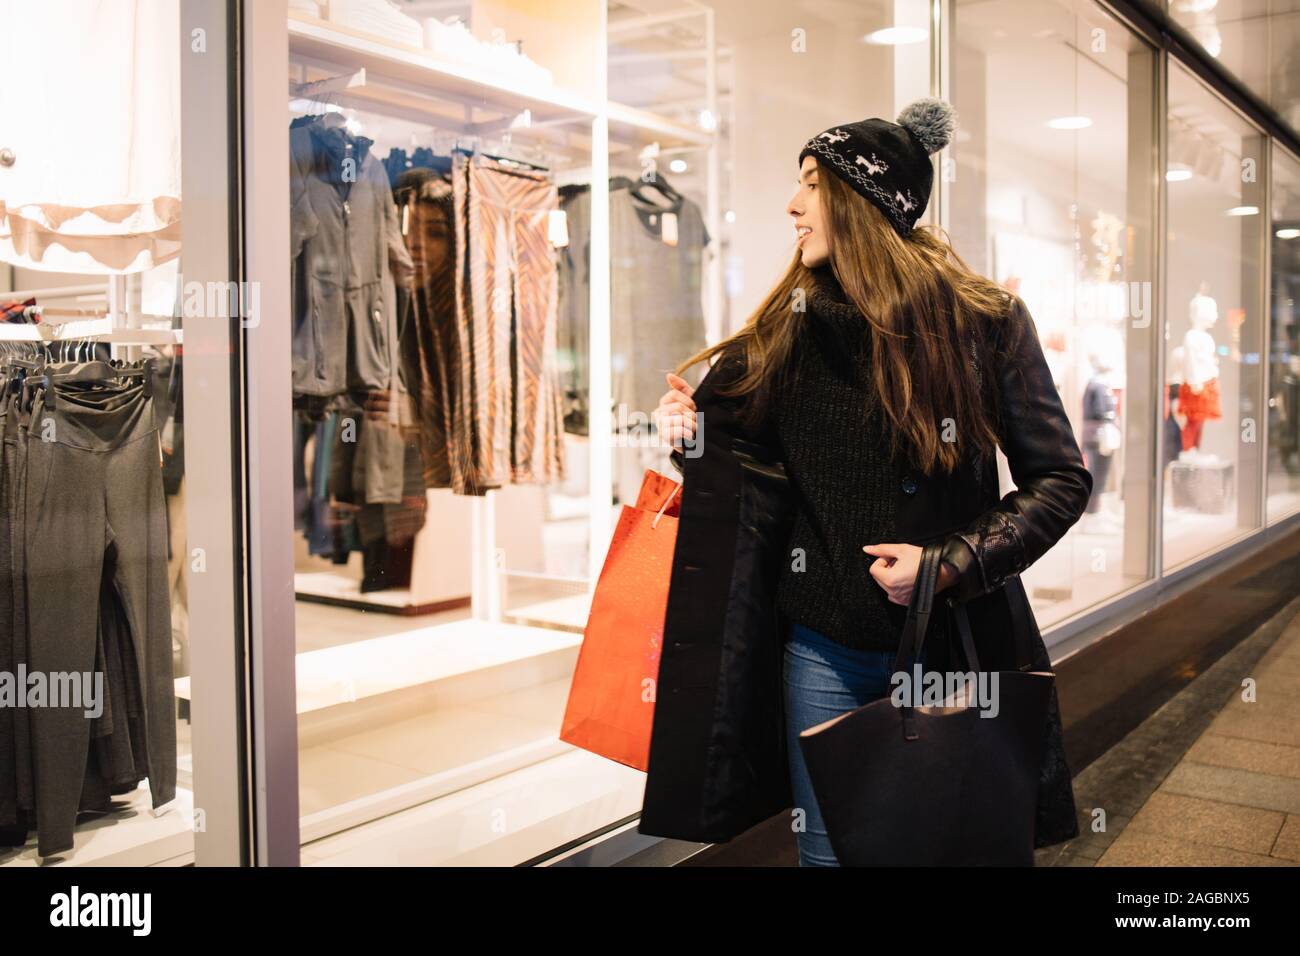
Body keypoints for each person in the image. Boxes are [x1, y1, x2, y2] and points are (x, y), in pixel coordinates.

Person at [650, 98, 1092, 866]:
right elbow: (747, 476)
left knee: (956, 848)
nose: (791, 204)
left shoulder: (984, 322)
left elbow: (1060, 480)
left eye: (812, 183)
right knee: (828, 855)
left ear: (862, 199)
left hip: (953, 644)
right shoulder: (786, 330)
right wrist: (687, 436)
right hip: (820, 650)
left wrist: (947, 564)